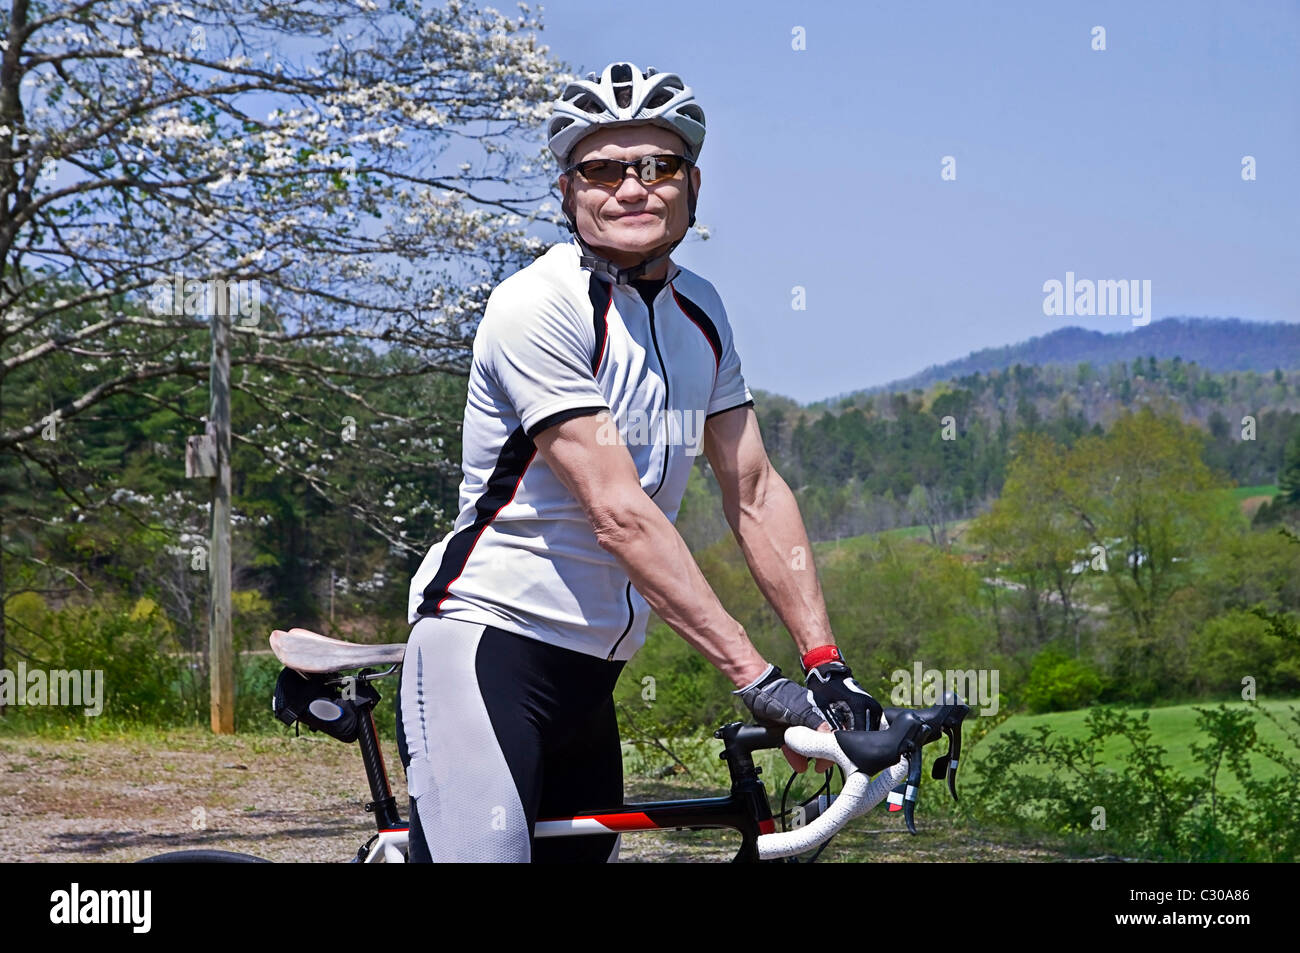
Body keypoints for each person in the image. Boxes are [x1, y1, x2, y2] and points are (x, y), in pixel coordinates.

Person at [397, 62, 881, 863]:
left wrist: (824, 665)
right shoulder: (537, 305)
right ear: (567, 190)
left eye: (657, 166)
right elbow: (618, 511)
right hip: (487, 643)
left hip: (594, 670)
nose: (632, 186)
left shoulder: (704, 312)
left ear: (692, 186)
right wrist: (758, 681)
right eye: (603, 168)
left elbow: (753, 489)